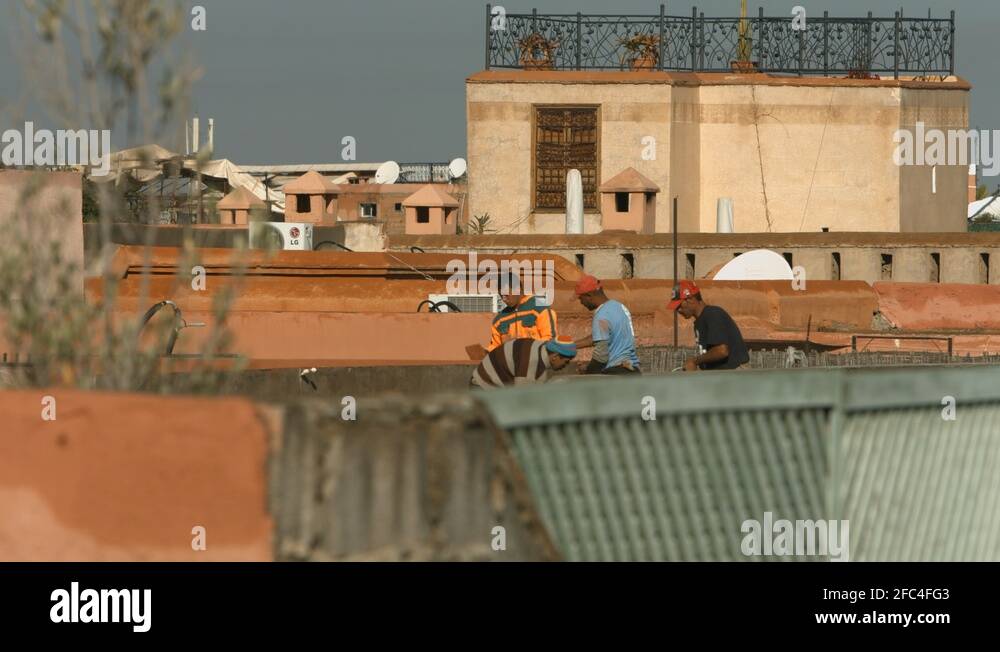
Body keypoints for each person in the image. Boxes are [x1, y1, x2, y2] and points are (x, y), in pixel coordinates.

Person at [668, 280, 750, 371]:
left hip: (734, 374)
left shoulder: (713, 314)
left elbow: (722, 351)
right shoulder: (699, 322)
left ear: (690, 299)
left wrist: (695, 361)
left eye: (679, 305)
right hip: (721, 376)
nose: (678, 310)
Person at [573, 274, 641, 375]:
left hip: (616, 373)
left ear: (589, 296)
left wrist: (587, 371)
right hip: (633, 369)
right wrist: (570, 345)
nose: (581, 302)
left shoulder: (601, 315)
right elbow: (601, 336)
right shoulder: (619, 307)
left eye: (581, 298)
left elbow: (601, 355)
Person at [485, 272, 558, 352]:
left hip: (535, 362)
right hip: (511, 364)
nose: (504, 299)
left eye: (506, 295)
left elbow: (550, 339)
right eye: (501, 296)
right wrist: (487, 352)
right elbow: (495, 346)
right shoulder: (499, 319)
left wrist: (526, 350)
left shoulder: (539, 308)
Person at [470, 337, 577, 389]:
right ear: (555, 357)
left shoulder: (540, 350)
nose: (565, 366)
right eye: (566, 362)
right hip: (484, 389)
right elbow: (523, 398)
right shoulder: (532, 361)